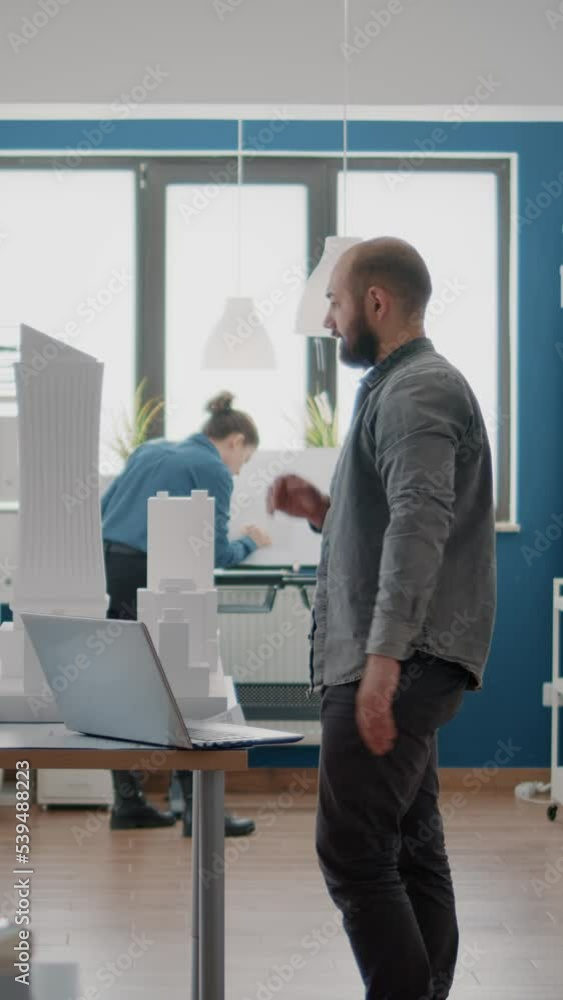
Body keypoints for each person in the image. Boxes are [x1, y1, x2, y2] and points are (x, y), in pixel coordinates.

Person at [267, 237, 496, 1000]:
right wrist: (325, 513)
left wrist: (382, 664)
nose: (328, 319)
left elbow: (419, 525)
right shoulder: (402, 389)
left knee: (353, 853)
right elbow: (395, 517)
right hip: (406, 657)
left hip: (395, 661)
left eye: (333, 301)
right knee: (408, 849)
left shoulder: (416, 390)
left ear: (374, 302)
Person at [101, 391, 271, 835]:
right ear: (234, 441)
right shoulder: (212, 467)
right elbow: (216, 552)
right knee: (184, 681)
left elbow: (103, 511)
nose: (238, 468)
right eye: (244, 459)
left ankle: (128, 803)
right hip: (161, 575)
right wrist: (252, 542)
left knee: (126, 685)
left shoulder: (149, 449)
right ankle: (198, 809)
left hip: (114, 569)